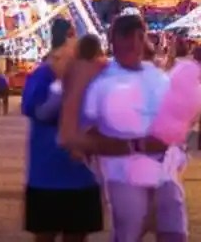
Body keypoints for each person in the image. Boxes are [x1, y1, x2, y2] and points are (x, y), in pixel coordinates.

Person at [81, 13, 189, 242]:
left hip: (164, 172)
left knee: (174, 233)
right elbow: (88, 135)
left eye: (139, 36)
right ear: (113, 41)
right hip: (124, 176)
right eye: (126, 37)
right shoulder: (101, 81)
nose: (134, 43)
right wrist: (135, 145)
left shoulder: (157, 77)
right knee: (128, 234)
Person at [22, 19, 103, 241]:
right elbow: (40, 113)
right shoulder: (42, 76)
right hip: (48, 175)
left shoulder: (88, 75)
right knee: (46, 236)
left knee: (76, 236)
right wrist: (60, 81)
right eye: (72, 36)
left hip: (79, 174)